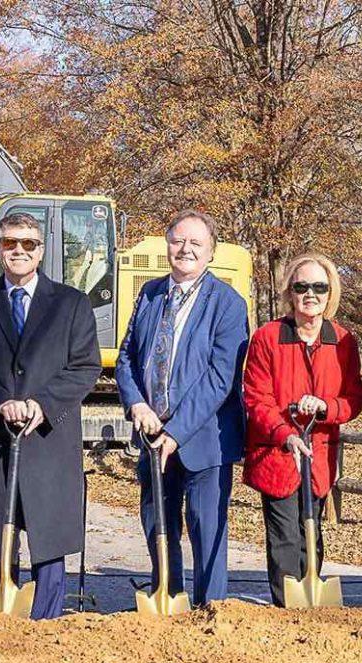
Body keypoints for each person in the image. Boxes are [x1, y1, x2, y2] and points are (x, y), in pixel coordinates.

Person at [0, 212, 102, 619]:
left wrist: (42, 405)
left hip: (48, 438)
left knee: (48, 534)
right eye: (10, 243)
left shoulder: (71, 304)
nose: (19, 250)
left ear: (42, 250)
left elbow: (84, 366)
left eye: (28, 243)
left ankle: (47, 619)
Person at [116, 209, 249, 606]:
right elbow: (126, 358)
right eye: (178, 241)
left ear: (211, 252)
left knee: (207, 529)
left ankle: (212, 610)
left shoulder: (228, 304)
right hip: (150, 434)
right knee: (157, 523)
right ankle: (167, 599)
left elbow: (220, 378)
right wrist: (137, 403)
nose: (185, 249)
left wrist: (175, 433)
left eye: (196, 243)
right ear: (167, 245)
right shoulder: (150, 293)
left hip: (204, 440)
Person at [242, 253, 362, 605]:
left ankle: (312, 601)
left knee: (311, 530)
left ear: (330, 293)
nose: (310, 294)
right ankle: (286, 605)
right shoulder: (268, 338)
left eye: (319, 287)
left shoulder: (343, 341)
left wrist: (327, 407)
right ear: (290, 293)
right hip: (277, 452)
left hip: (319, 453)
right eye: (302, 286)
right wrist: (287, 434)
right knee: (284, 534)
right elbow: (256, 398)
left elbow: (354, 399)